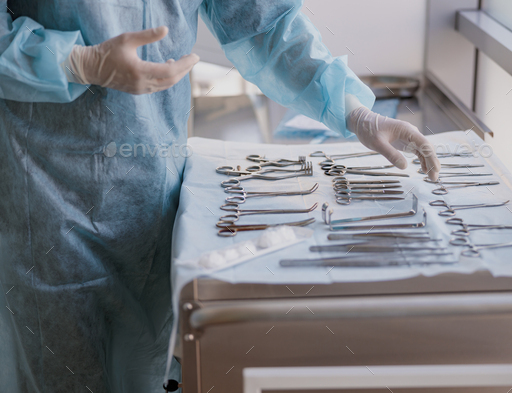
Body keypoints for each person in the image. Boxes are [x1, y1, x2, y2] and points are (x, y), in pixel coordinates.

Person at [0, 1, 440, 392]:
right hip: (41, 191)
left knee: (141, 366)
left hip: (149, 188)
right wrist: (74, 62)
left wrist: (355, 112)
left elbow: (267, 26)